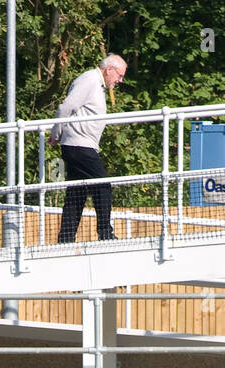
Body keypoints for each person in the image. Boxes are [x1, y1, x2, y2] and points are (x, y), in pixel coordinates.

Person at [49, 55, 127, 244]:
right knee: (103, 185)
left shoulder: (95, 84)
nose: (120, 80)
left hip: (81, 145)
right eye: (120, 75)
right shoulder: (90, 79)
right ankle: (105, 233)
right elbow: (67, 107)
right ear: (109, 69)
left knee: (77, 192)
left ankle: (66, 238)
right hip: (79, 146)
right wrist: (56, 133)